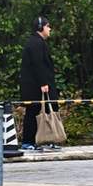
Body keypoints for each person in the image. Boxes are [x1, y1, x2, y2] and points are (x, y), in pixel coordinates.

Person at [19, 16, 58, 150]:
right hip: (36, 87)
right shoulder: (35, 43)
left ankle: (48, 139)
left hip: (39, 86)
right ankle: (28, 141)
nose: (49, 28)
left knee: (46, 111)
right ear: (41, 27)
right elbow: (38, 64)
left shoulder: (38, 42)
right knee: (34, 112)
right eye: (48, 26)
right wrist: (43, 83)